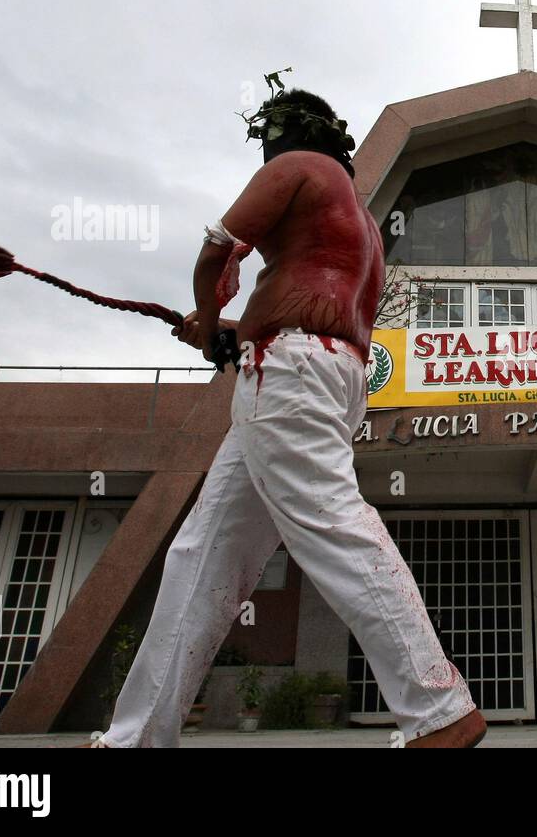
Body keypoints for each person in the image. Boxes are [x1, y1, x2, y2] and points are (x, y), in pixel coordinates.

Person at [97, 85, 484, 747]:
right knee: (203, 552)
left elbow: (218, 249)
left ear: (286, 133)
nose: (266, 144)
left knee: (331, 519)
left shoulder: (296, 168)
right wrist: (220, 328)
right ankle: (138, 736)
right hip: (322, 372)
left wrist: (213, 319)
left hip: (291, 371)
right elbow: (298, 287)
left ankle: (438, 708)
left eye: (268, 133)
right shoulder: (355, 216)